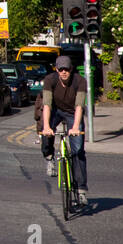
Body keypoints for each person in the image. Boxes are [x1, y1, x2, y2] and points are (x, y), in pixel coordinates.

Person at [41, 55, 88, 206]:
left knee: (78, 150)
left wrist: (75, 127)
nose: (64, 72)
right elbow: (47, 104)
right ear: (56, 69)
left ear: (71, 69)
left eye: (66, 69)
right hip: (55, 110)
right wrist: (47, 126)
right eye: (61, 69)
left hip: (72, 113)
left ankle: (81, 190)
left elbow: (79, 106)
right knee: (45, 130)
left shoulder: (80, 81)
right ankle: (49, 158)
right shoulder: (50, 80)